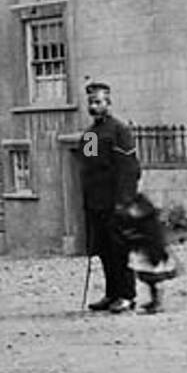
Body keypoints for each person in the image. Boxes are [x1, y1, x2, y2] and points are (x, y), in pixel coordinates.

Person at [81, 81, 141, 314]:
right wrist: (87, 200)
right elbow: (88, 169)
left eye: (98, 102)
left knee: (120, 250)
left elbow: (129, 169)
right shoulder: (90, 135)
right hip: (97, 203)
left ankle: (127, 295)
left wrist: (124, 201)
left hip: (117, 202)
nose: (94, 107)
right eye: (91, 103)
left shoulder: (119, 131)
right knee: (104, 250)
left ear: (108, 103)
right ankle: (111, 293)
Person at [118, 192, 178, 314]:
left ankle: (157, 302)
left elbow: (152, 238)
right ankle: (154, 300)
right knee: (148, 279)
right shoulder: (139, 219)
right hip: (144, 252)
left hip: (152, 254)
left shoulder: (148, 221)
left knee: (154, 279)